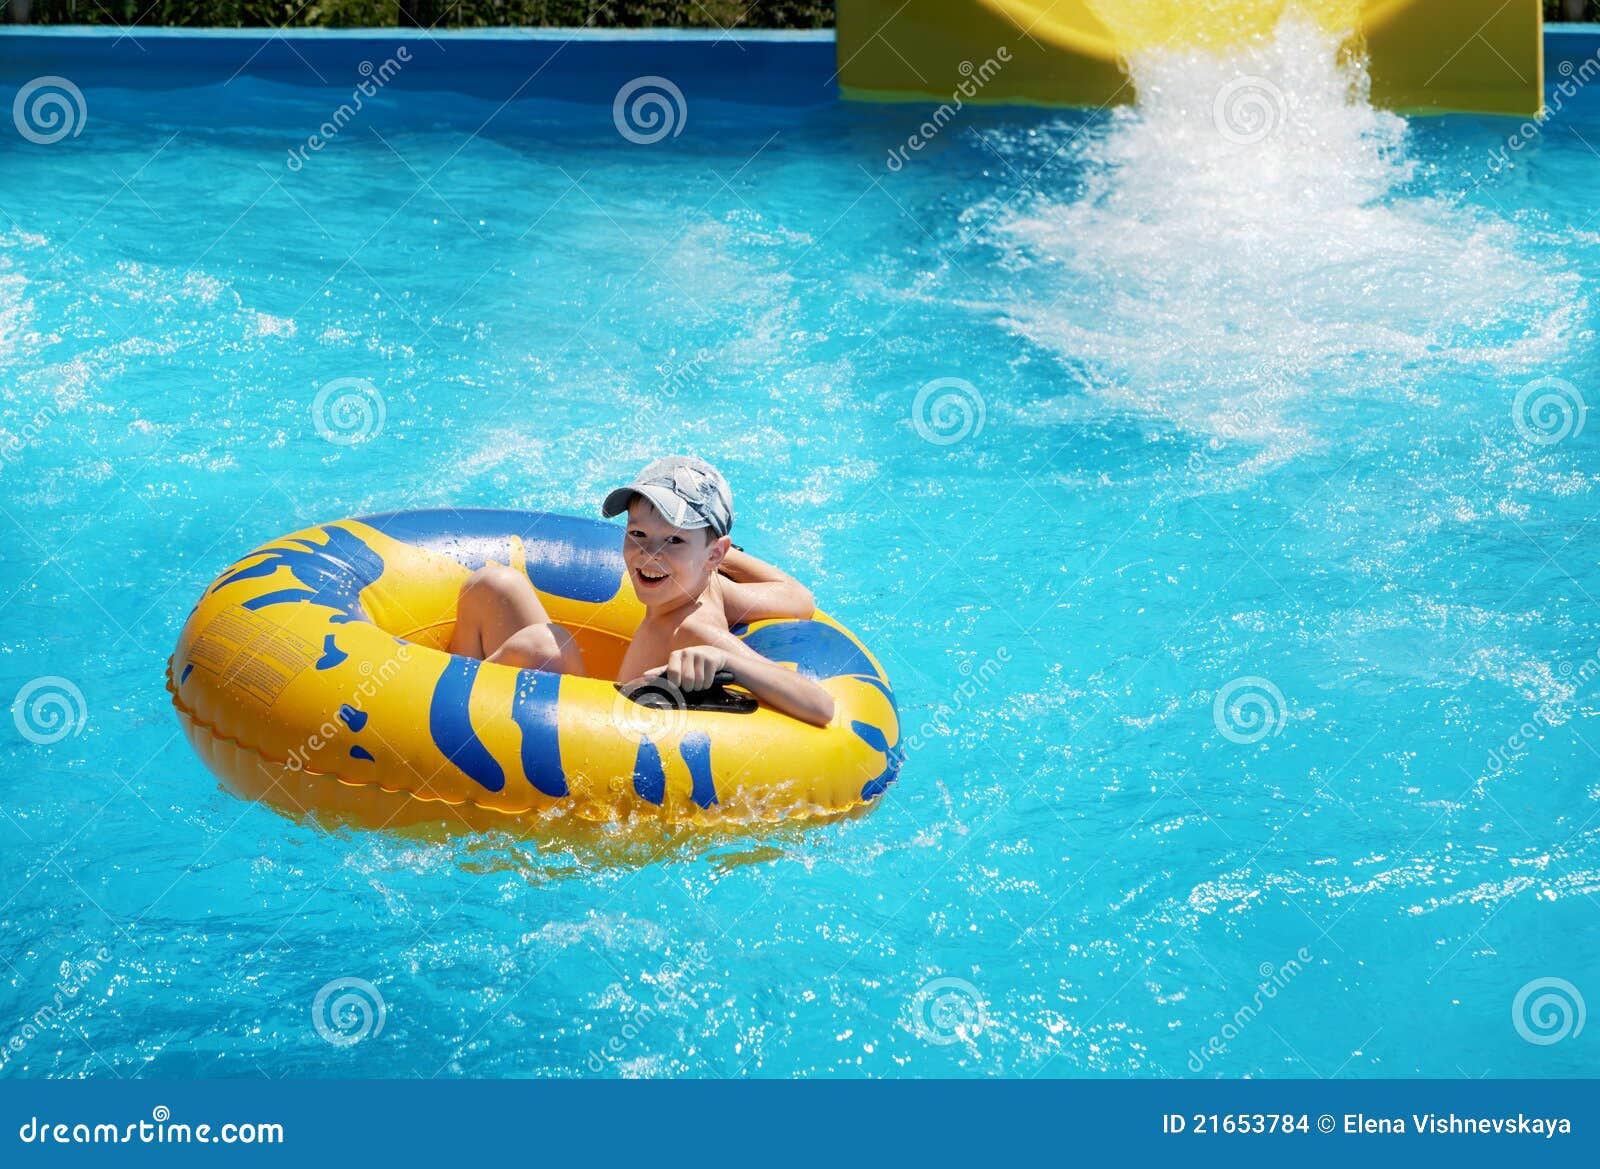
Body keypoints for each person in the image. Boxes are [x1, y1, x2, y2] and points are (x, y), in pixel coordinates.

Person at [447, 456, 836, 727]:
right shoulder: (710, 585)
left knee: (545, 647)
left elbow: (820, 706)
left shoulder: (695, 630)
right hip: (590, 704)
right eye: (638, 534)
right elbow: (798, 598)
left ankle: (449, 715)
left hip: (583, 737)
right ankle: (440, 695)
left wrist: (722, 659)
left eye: (675, 541)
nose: (650, 555)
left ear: (713, 552)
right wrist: (712, 555)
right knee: (494, 585)